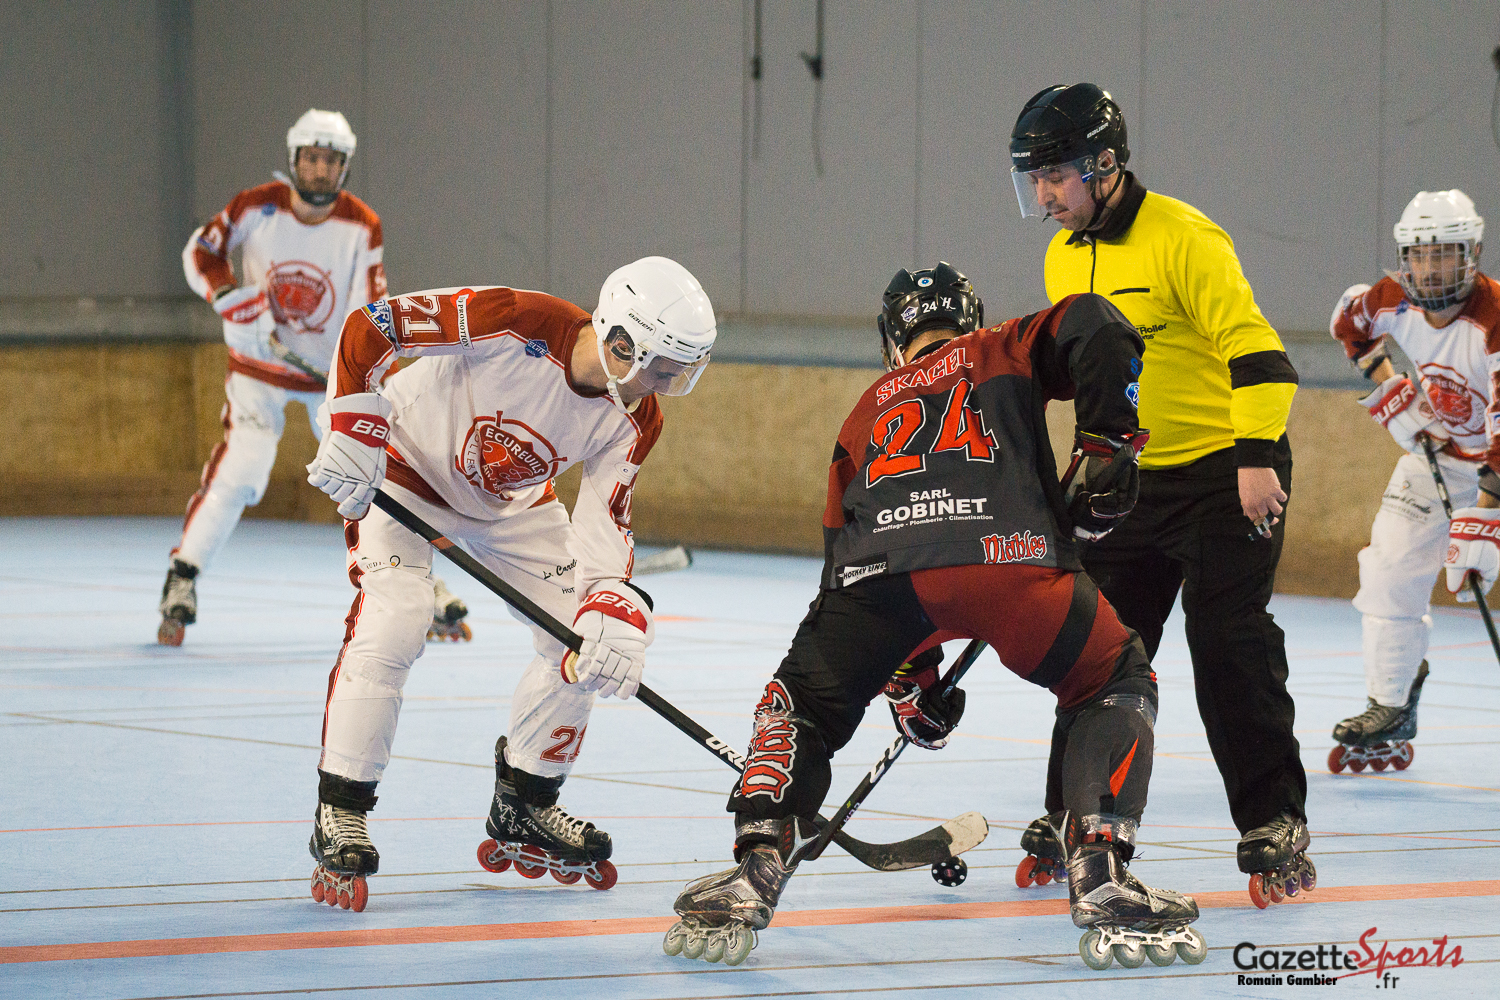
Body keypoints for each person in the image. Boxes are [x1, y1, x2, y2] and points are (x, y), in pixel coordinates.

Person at [665, 264, 1204, 970]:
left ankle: (758, 860)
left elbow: (841, 557)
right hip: (1014, 566)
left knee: (798, 706)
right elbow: (1099, 323)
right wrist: (1106, 447)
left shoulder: (865, 409)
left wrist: (911, 685)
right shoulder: (1002, 347)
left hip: (879, 583)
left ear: (893, 340)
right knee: (1114, 679)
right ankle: (1099, 870)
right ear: (971, 317)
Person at [304, 257, 717, 912]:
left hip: (513, 506)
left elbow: (603, 527)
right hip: (402, 475)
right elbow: (370, 326)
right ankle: (341, 808)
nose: (668, 384)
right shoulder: (513, 318)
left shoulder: (638, 417)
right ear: (620, 341)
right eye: (664, 366)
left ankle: (526, 800)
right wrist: (352, 421)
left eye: (681, 373)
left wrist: (610, 611)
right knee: (400, 620)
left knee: (575, 644)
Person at [1008, 84, 1310, 908]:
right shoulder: (1064, 255)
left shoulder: (1186, 238)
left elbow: (1261, 357)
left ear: (1105, 165)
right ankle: (1071, 813)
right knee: (1096, 652)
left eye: (1055, 177)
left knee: (1227, 643)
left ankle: (1275, 821)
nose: (1043, 196)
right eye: (1033, 180)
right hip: (1136, 481)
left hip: (1225, 473)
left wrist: (1255, 459)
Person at [162, 109, 471, 646]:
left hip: (328, 378)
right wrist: (226, 294)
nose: (320, 169)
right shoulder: (256, 206)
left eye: (331, 160)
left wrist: (363, 376)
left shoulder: (361, 224)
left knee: (368, 477)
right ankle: (181, 578)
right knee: (241, 473)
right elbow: (202, 251)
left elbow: (369, 309)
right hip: (259, 370)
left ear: (344, 166)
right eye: (311, 158)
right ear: (294, 159)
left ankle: (418, 581)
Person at [1330, 190, 1496, 773]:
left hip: (1494, 465)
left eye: (1445, 255)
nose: (1431, 269)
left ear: (1472, 255)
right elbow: (1347, 323)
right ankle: (1390, 704)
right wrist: (1392, 387)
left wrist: (1489, 513)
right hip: (1440, 456)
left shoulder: (1494, 322)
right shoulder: (1391, 300)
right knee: (1388, 570)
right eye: (1420, 256)